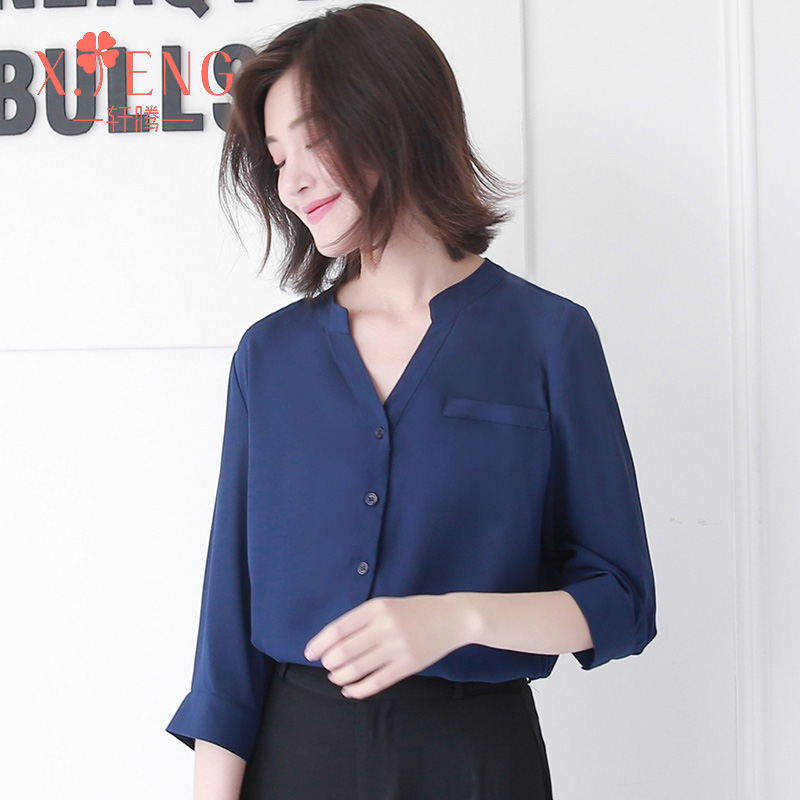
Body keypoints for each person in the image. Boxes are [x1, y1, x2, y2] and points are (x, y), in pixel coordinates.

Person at [165, 4, 657, 799]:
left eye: (311, 139)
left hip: (477, 760)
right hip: (295, 760)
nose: (290, 180)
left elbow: (622, 599)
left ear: (393, 116)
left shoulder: (548, 338)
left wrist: (458, 618)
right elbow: (228, 633)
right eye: (277, 156)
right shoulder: (271, 357)